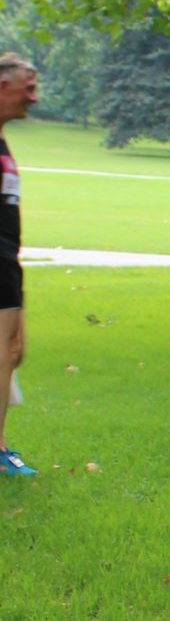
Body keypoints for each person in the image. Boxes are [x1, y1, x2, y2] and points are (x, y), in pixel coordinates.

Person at [0, 52, 38, 478]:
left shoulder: (3, 141)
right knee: (4, 353)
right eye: (27, 88)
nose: (34, 97)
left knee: (12, 352)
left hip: (8, 261)